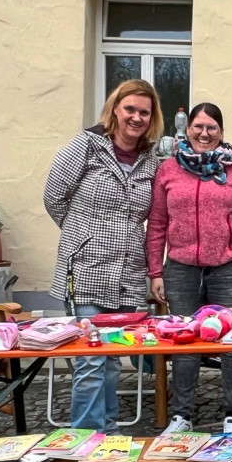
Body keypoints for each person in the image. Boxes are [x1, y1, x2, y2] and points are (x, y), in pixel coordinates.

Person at [147, 103, 232, 434]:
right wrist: (155, 271)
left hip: (231, 267)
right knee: (184, 342)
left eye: (211, 128)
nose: (204, 133)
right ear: (187, 129)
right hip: (181, 268)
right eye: (198, 126)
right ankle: (182, 415)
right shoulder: (168, 170)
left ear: (221, 132)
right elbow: (157, 223)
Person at [45, 79, 163, 431]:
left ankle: (107, 425)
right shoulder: (86, 145)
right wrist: (85, 233)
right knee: (91, 358)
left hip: (128, 271)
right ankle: (86, 434)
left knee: (113, 357)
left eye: (144, 112)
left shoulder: (152, 160)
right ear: (115, 109)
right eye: (130, 109)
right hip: (87, 269)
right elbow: (54, 198)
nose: (136, 117)